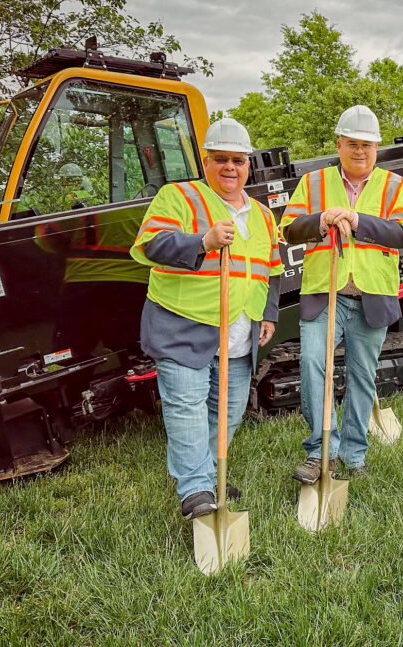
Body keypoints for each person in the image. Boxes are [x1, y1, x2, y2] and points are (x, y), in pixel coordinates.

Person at [131, 118, 283, 520]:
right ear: (206, 160)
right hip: (184, 324)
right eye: (221, 159)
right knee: (185, 406)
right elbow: (152, 244)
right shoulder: (178, 196)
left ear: (248, 164)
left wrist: (266, 314)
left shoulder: (264, 215)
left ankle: (208, 472)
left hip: (240, 330)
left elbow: (272, 268)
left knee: (229, 410)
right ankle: (196, 488)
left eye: (238, 160)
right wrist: (203, 241)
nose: (230, 168)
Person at [279, 105, 403, 483]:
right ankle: (319, 450)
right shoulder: (313, 183)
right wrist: (320, 220)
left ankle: (354, 454)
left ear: (376, 149)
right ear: (339, 144)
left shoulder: (396, 186)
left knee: (362, 376)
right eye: (353, 144)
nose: (360, 151)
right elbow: (289, 230)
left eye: (368, 145)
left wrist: (358, 222)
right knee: (312, 364)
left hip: (372, 296)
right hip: (324, 293)